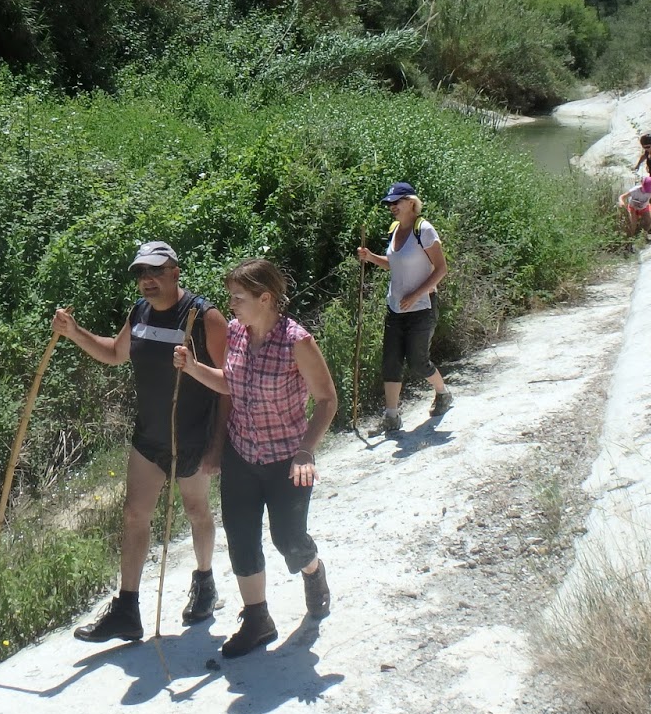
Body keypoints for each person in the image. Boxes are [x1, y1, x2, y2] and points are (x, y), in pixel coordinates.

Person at [53, 241, 228, 643]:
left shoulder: (204, 317)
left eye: (155, 272)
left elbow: (228, 385)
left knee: (196, 508)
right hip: (149, 435)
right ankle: (127, 609)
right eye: (140, 273)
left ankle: (205, 582)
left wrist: (217, 444)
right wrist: (74, 332)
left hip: (193, 436)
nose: (147, 280)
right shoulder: (140, 313)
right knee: (134, 515)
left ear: (175, 272)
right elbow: (116, 354)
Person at [173, 259, 337, 659]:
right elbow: (232, 382)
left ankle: (313, 570)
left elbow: (327, 400)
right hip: (242, 454)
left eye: (238, 297)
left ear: (266, 298)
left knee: (289, 540)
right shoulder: (236, 333)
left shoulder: (297, 341)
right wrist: (194, 369)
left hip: (287, 461)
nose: (231, 305)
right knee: (242, 540)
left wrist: (305, 451)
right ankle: (257, 618)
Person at [355, 181, 452, 434]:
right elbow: (393, 264)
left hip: (422, 307)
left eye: (396, 202)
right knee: (391, 361)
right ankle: (392, 416)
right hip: (396, 307)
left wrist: (416, 294)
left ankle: (443, 393)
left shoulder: (425, 230)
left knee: (419, 362)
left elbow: (441, 269)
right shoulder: (394, 229)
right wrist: (371, 257)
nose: (392, 207)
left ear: (411, 202)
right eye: (389, 203)